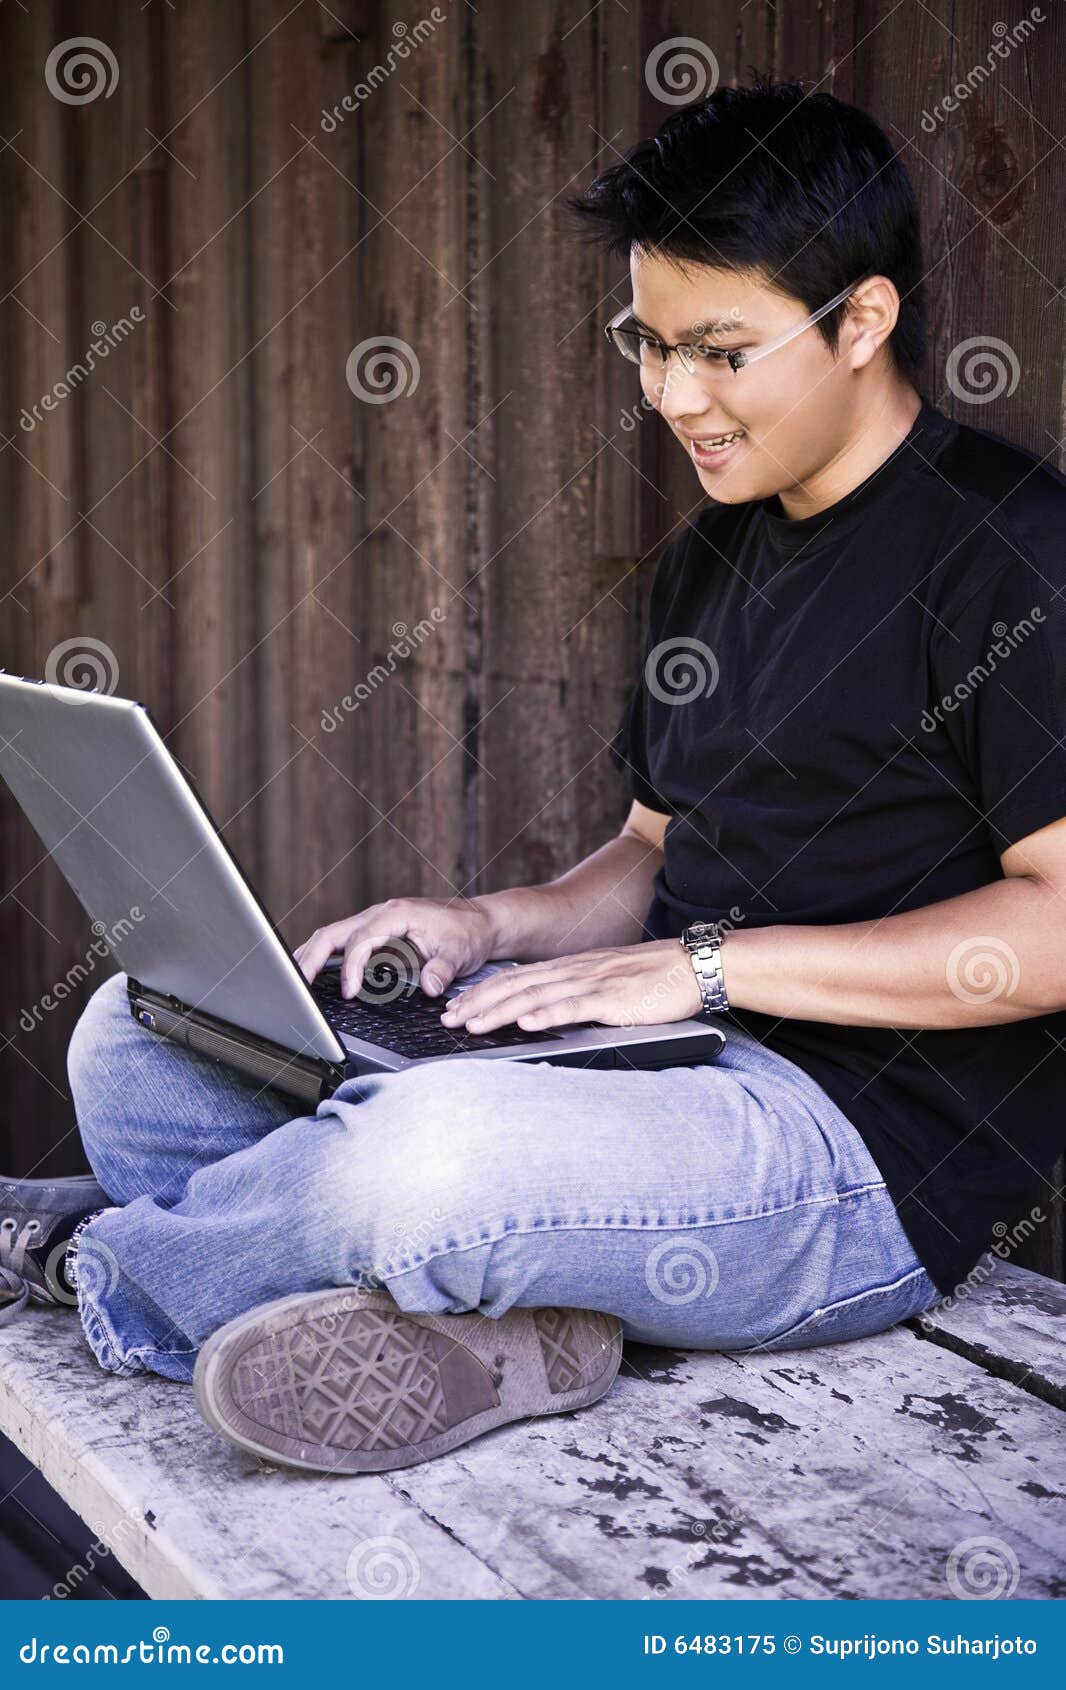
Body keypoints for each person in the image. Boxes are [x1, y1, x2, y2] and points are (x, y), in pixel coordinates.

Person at [4, 78, 1065, 1477]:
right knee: (134, 1044)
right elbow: (645, 854)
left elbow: (1048, 927)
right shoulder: (710, 557)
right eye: (649, 343)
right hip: (645, 1076)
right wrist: (487, 925)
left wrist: (703, 969)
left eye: (722, 350)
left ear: (860, 319)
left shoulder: (1008, 550)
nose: (674, 395)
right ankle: (503, 1326)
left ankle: (101, 1258)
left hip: (851, 1159)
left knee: (417, 1159)